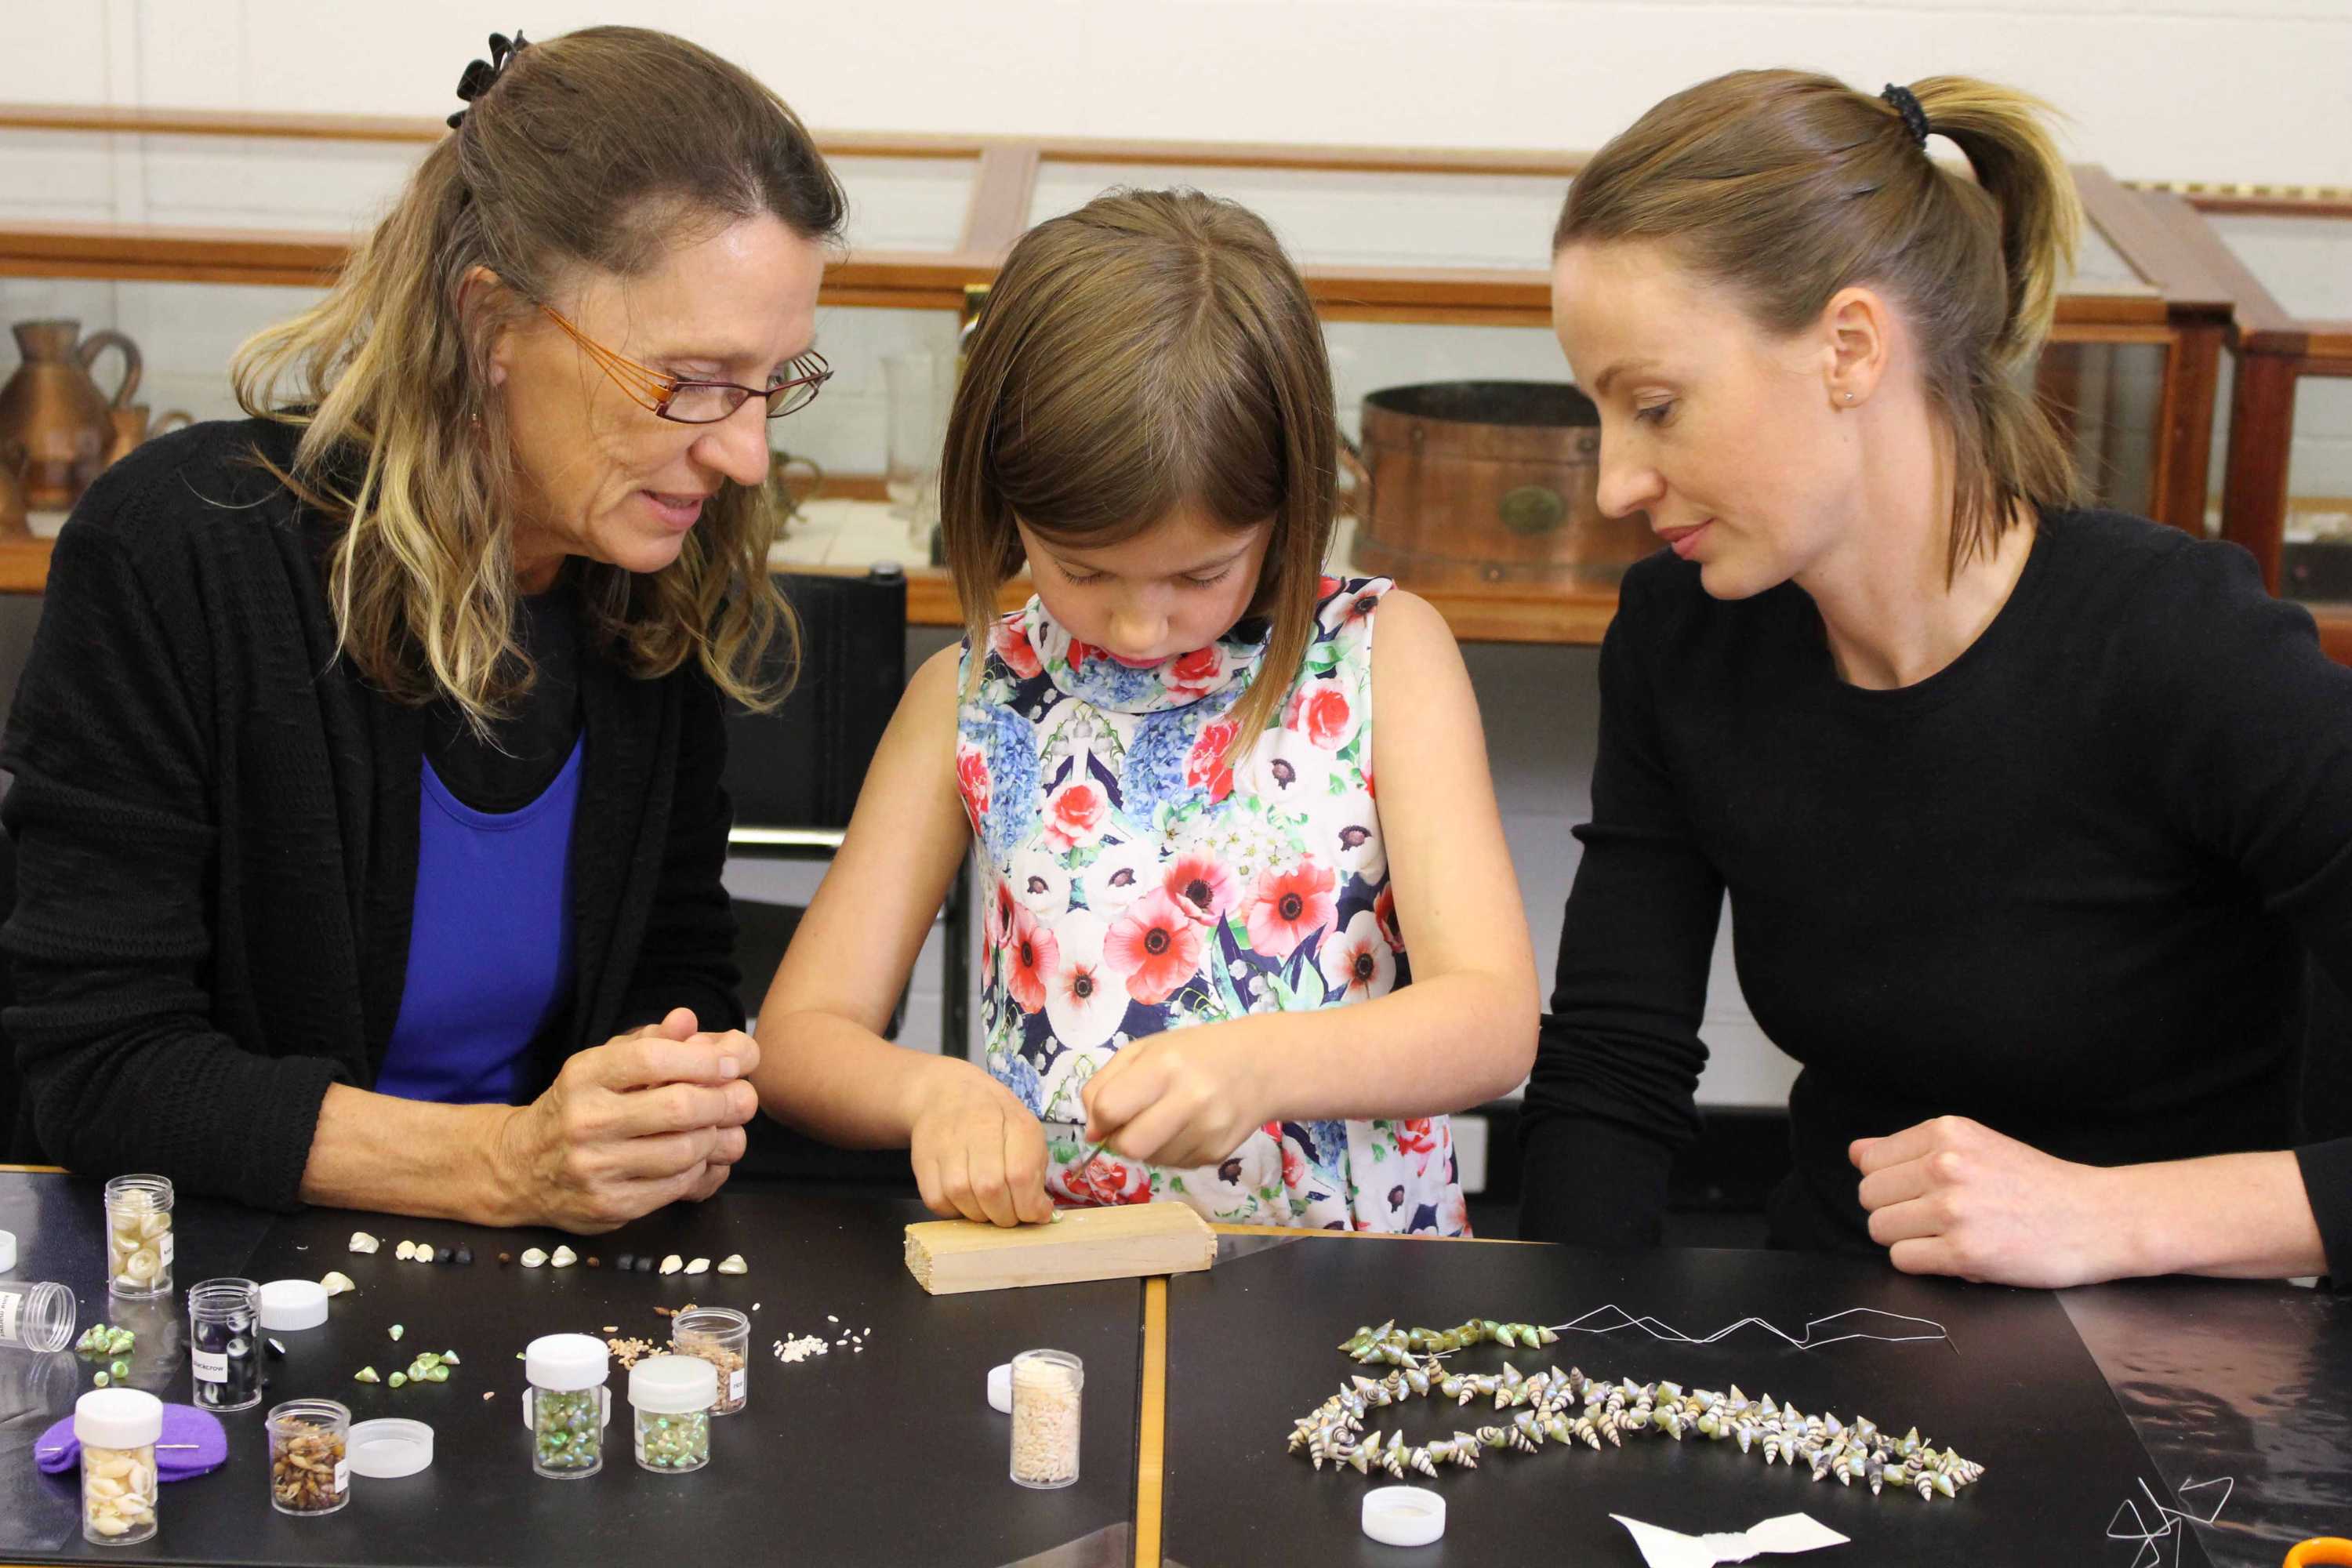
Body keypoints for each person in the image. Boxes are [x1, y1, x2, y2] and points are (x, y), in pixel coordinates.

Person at [1, 27, 846, 1230]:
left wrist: (673, 1103)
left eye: (775, 379)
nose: (746, 451)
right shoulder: (180, 553)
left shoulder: (648, 571)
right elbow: (100, 1071)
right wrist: (507, 1165)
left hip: (533, 1288)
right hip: (218, 1290)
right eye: (691, 381)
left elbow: (676, 965)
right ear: (492, 321)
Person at [1519, 70, 2351, 1290]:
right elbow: (1613, 1062)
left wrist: (2112, 1219)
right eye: (1603, 416)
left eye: (1655, 407)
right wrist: (1561, 1370)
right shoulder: (1681, 633)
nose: (1615, 485)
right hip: (1838, 1328)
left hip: (2179, 1356)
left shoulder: (2182, 649)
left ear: (1851, 347)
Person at [753, 190, 1538, 1231]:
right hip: (1067, 1276)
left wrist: (1263, 1068)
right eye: (1081, 569)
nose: (1134, 626)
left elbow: (1491, 1021)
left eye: (1199, 574)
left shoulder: (1383, 657)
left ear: (1290, 507)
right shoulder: (976, 691)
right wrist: (930, 1094)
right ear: (1000, 503)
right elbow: (801, 1034)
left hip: (1353, 1285)